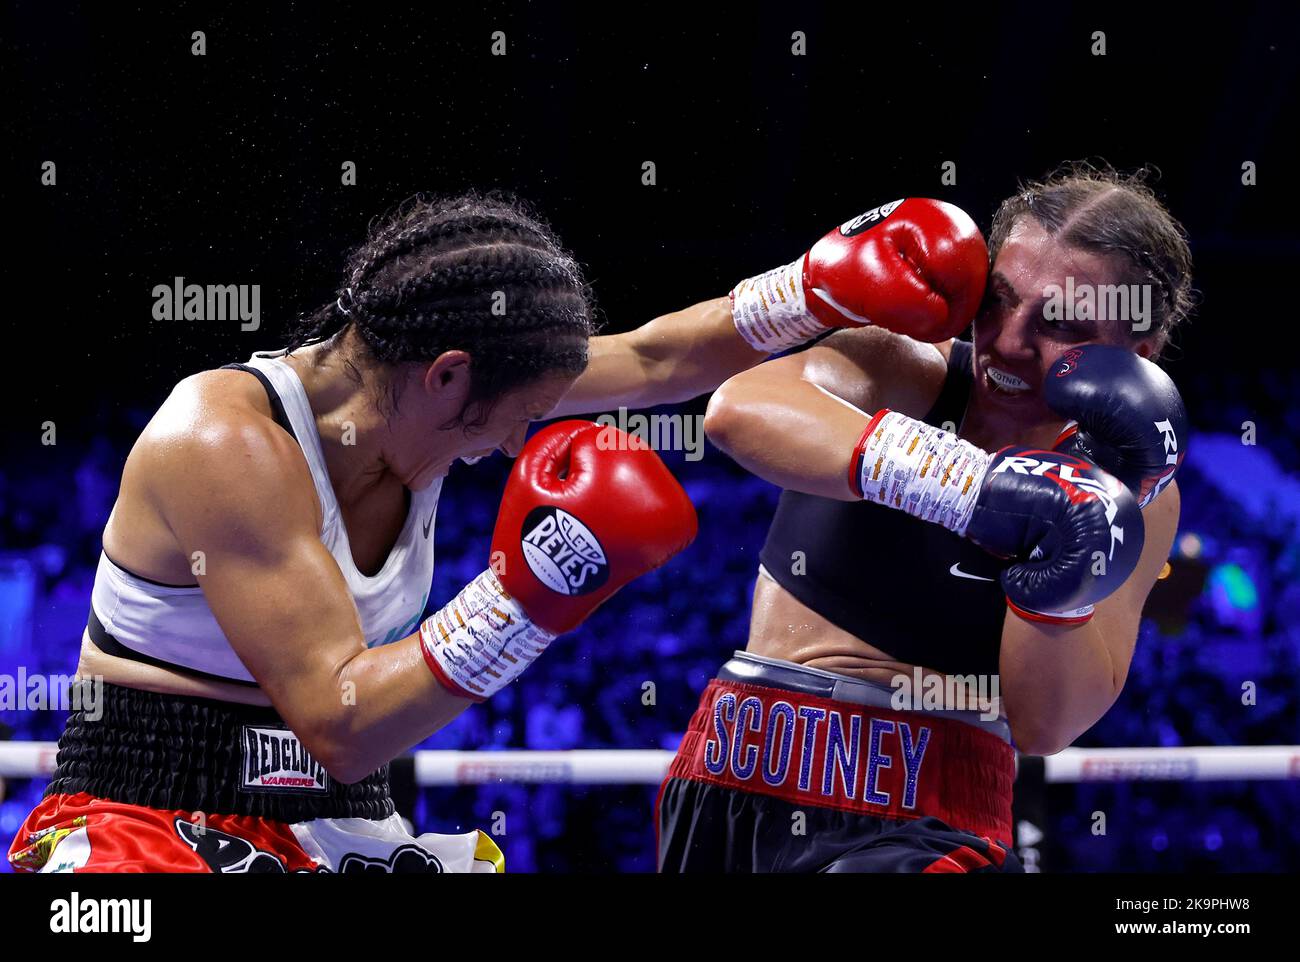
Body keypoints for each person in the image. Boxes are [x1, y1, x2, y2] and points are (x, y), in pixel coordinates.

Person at [657, 163, 1194, 873]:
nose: (1007, 342)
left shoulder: (1142, 495)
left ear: (1137, 356)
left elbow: (1045, 722)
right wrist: (980, 487)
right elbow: (737, 410)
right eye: (999, 299)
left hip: (936, 811)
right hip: (741, 765)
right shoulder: (908, 367)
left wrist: (1071, 544)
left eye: (1059, 322)